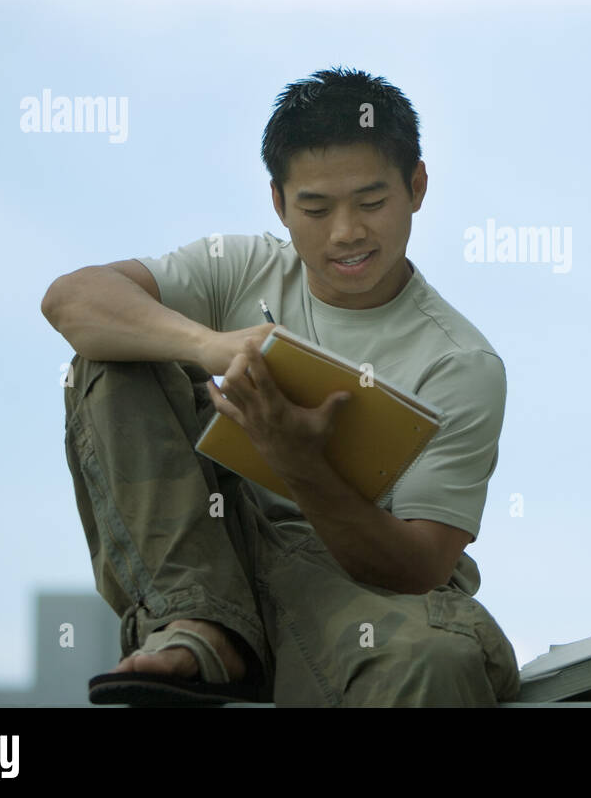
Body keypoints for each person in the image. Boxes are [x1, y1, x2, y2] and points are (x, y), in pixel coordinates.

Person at [41, 67, 522, 706]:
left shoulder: (460, 362)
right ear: (279, 203)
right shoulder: (244, 267)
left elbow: (419, 567)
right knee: (111, 355)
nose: (346, 232)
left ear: (417, 187)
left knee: (439, 656)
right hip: (211, 551)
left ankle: (244, 644)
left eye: (371, 203)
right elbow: (71, 299)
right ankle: (200, 626)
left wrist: (298, 460)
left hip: (351, 589)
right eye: (316, 209)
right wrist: (211, 346)